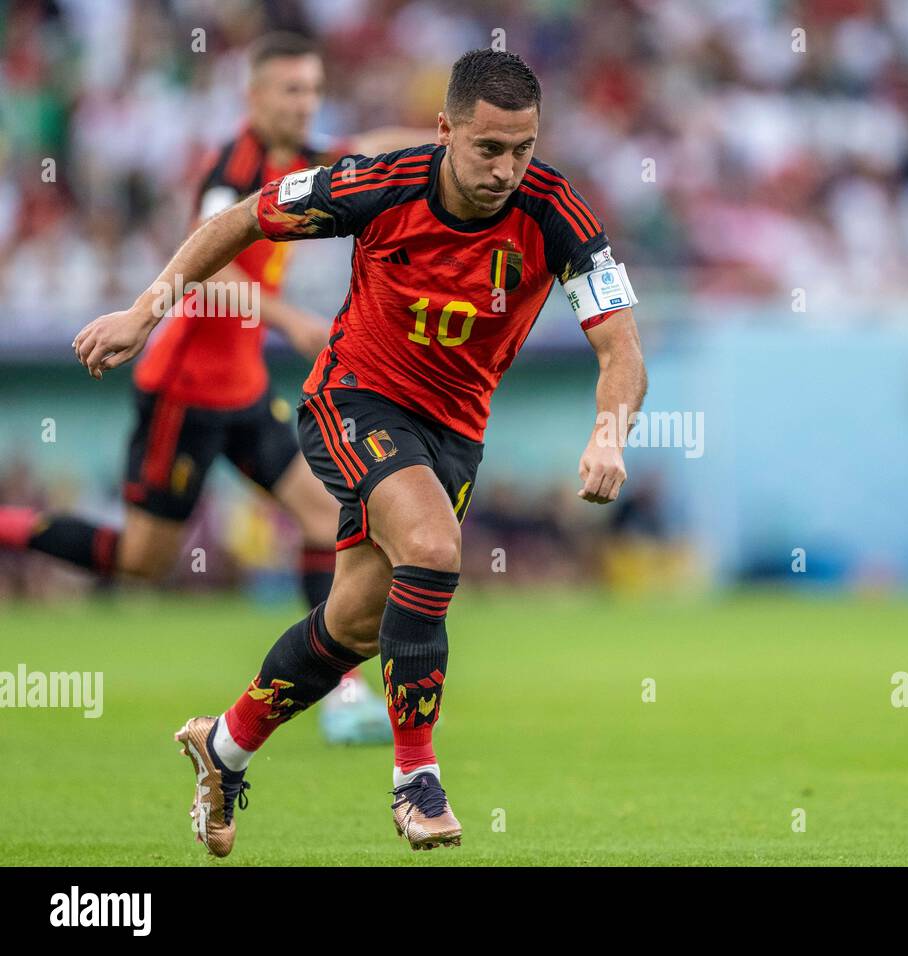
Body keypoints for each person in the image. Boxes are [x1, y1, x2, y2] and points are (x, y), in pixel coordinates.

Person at [72, 48, 648, 854]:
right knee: (433, 546)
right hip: (355, 400)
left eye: (523, 149)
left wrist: (608, 432)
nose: (507, 170)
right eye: (488, 149)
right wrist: (144, 312)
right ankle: (416, 780)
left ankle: (224, 744)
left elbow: (621, 348)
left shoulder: (556, 214)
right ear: (446, 130)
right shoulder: (379, 182)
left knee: (353, 620)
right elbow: (237, 219)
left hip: (454, 435)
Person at [0, 32, 436, 745]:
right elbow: (213, 260)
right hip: (183, 391)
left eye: (312, 89)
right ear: (254, 97)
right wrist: (289, 315)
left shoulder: (304, 153)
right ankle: (8, 525)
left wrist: (449, 144)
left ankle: (344, 694)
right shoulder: (231, 169)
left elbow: (374, 144)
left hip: (242, 389)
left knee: (329, 521)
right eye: (291, 91)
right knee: (143, 562)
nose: (305, 103)